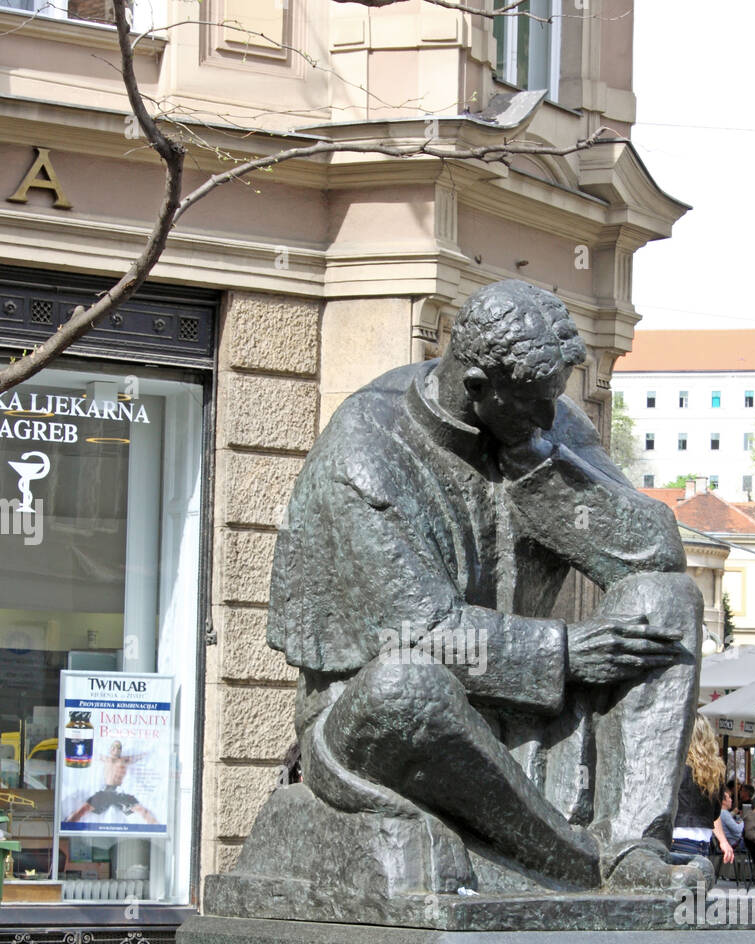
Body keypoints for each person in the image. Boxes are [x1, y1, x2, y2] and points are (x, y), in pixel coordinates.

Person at [267, 279, 706, 895]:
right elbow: (418, 634)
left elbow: (656, 550)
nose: (551, 419)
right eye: (532, 405)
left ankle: (633, 848)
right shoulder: (365, 446)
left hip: (527, 710)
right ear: (477, 387)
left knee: (666, 602)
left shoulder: (542, 420)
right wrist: (567, 653)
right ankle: (578, 864)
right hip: (387, 719)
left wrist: (542, 470)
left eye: (554, 401)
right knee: (406, 688)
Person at [672, 715, 734, 864]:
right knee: (699, 886)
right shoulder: (715, 771)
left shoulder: (677, 766)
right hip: (703, 842)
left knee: (677, 886)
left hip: (677, 838)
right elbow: (715, 813)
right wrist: (722, 840)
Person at [66, 741, 157, 825]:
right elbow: (90, 754)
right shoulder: (106, 759)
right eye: (114, 747)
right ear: (110, 750)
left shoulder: (124, 760)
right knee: (82, 810)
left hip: (119, 792)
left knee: (142, 810)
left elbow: (138, 757)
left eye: (118, 748)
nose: (116, 749)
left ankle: (157, 827)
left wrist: (150, 751)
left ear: (120, 750)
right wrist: (77, 744)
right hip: (106, 791)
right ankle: (66, 826)